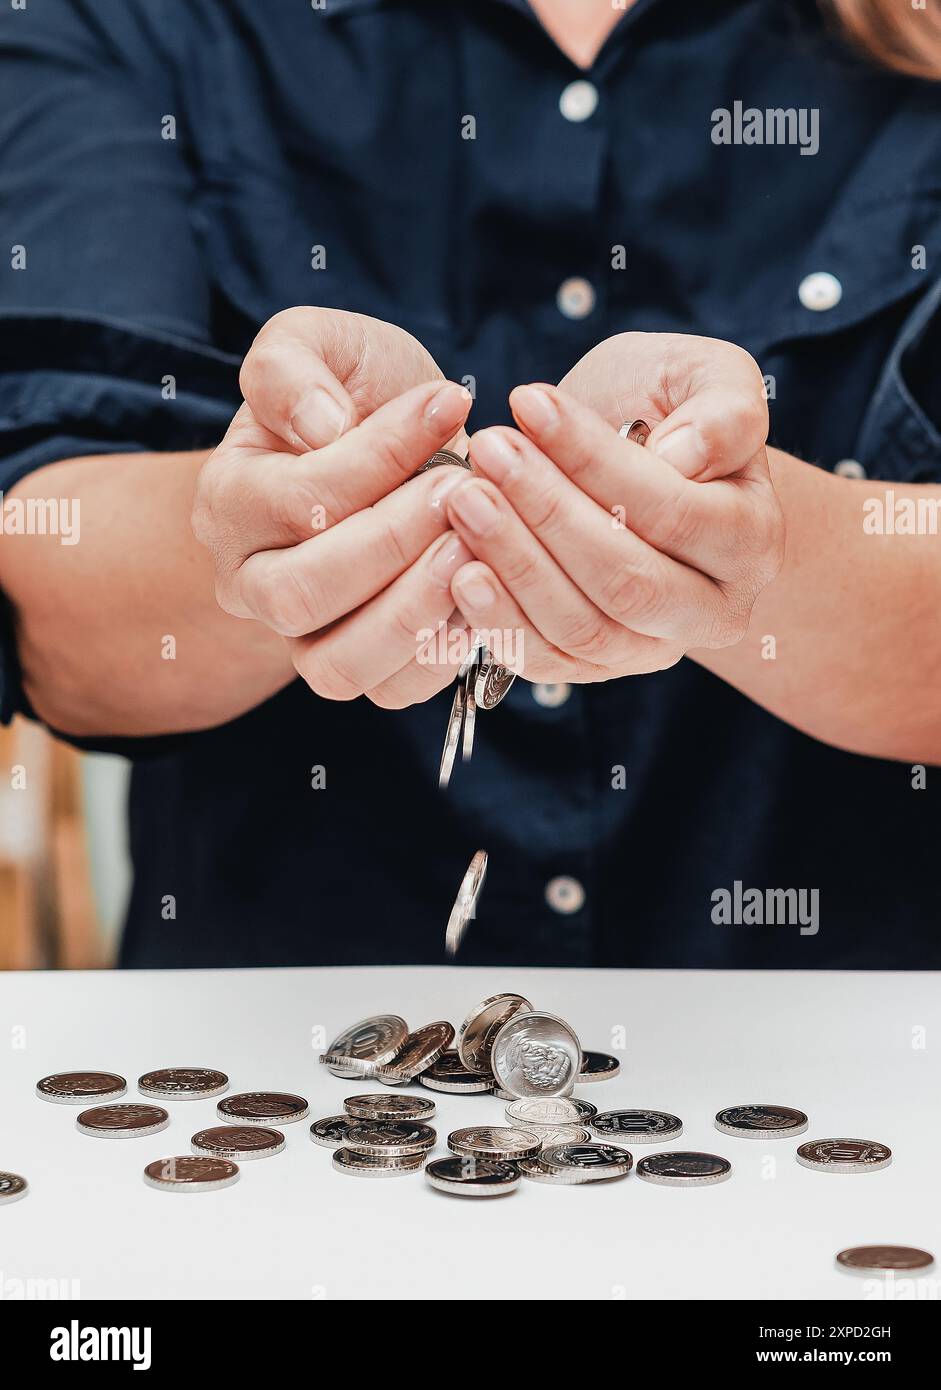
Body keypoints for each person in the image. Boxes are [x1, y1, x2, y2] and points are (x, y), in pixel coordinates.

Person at [0, 0, 939, 969]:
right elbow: (48, 607)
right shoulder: (137, 19)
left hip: (855, 1072)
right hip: (297, 1070)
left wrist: (750, 547)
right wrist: (266, 537)